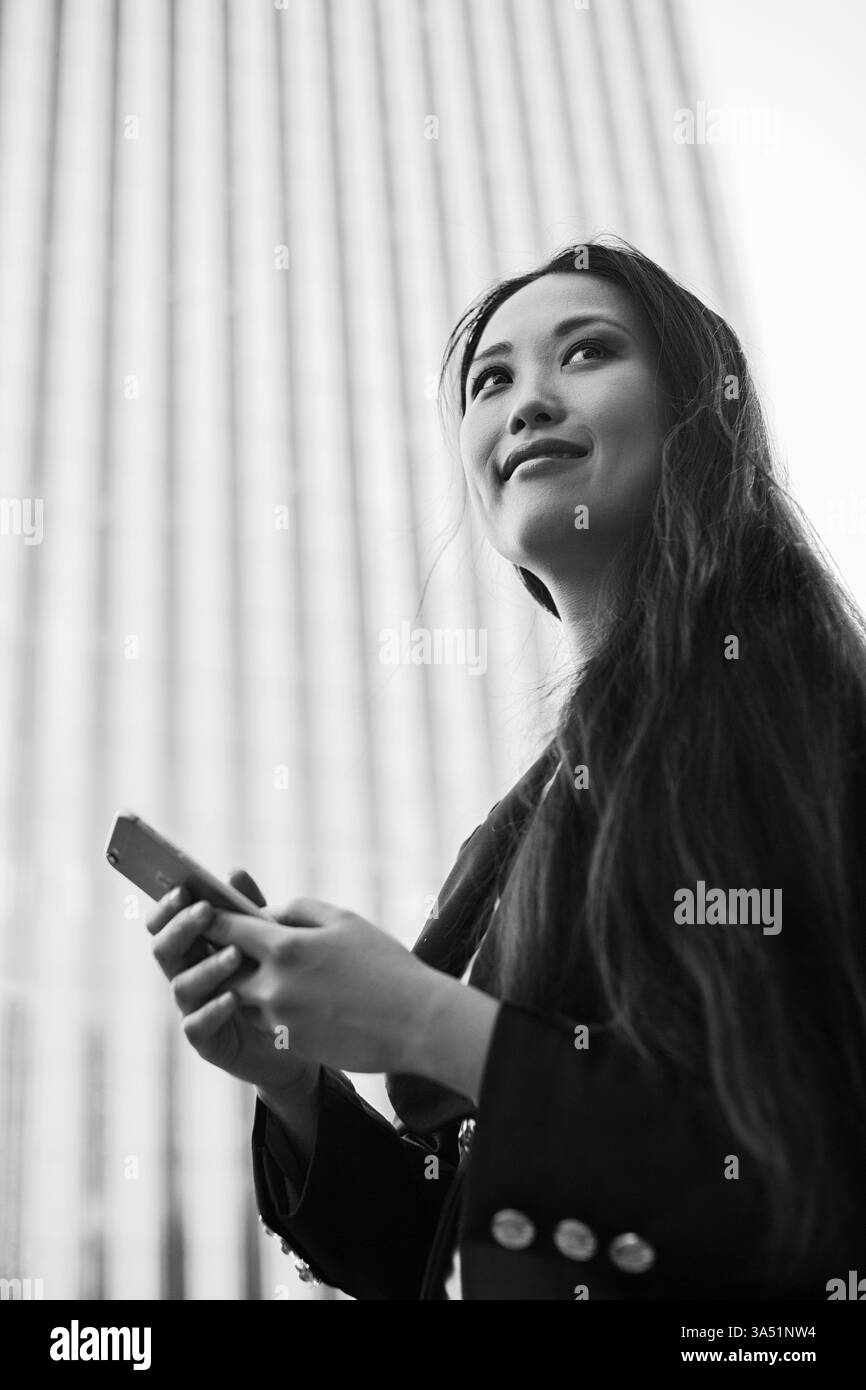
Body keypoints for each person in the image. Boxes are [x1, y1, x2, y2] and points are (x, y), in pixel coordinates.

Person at [146, 237, 866, 1300]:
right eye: (492, 380)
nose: (525, 402)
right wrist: (296, 1082)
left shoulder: (774, 703)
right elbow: (450, 1248)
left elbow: (791, 1172)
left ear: (695, 416)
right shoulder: (518, 827)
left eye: (585, 354)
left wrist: (422, 1021)